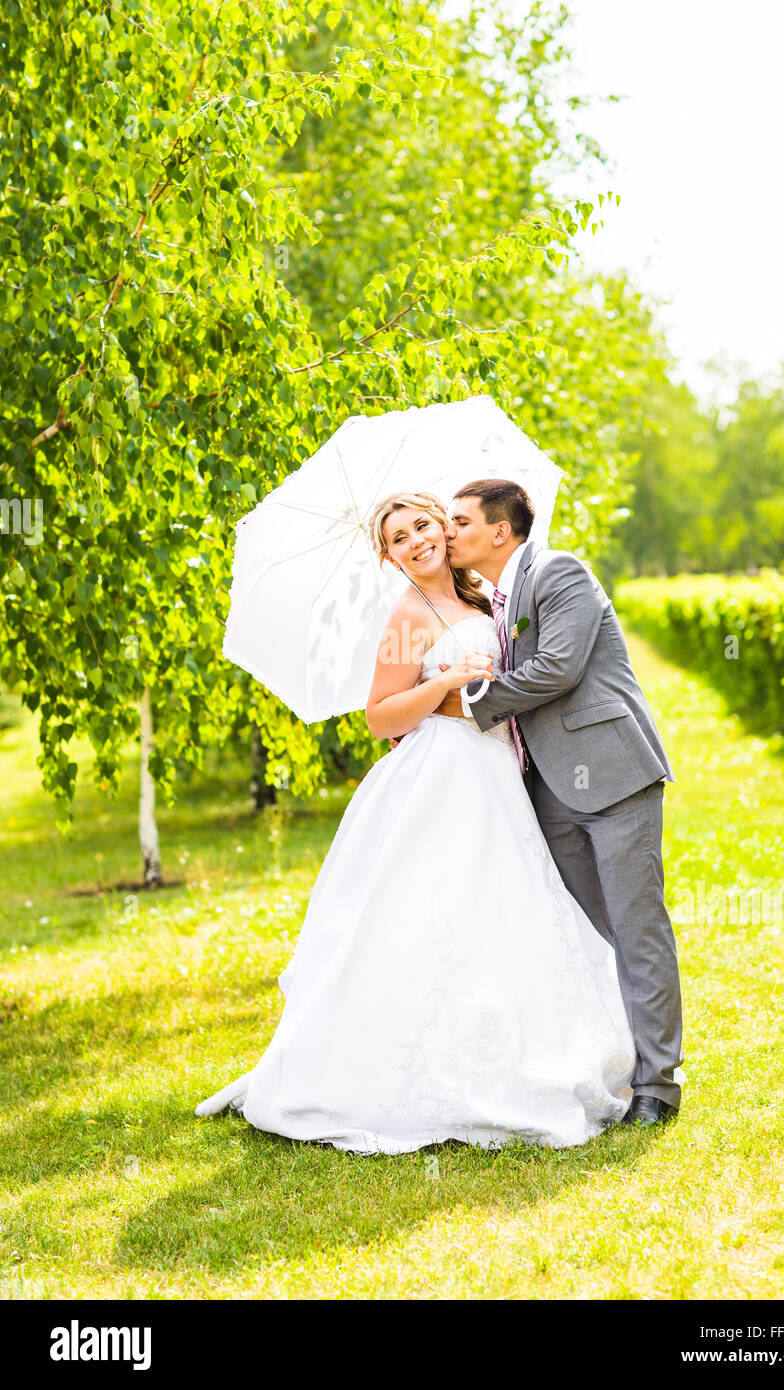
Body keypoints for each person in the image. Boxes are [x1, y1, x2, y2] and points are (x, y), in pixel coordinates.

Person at [194, 490, 636, 1154]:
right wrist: (443, 683)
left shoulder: (483, 600)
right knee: (434, 914)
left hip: (495, 776)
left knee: (505, 912)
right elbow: (381, 717)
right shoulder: (407, 615)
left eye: (426, 525)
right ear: (390, 556)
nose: (418, 541)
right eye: (400, 538)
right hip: (442, 778)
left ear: (445, 530)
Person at [442, 479, 684, 1126]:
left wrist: (470, 703)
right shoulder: (492, 598)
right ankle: (611, 1060)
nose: (448, 533)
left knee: (636, 927)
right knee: (585, 931)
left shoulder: (559, 571)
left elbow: (558, 667)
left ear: (501, 530)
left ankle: (659, 1084)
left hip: (610, 775)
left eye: (460, 521)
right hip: (545, 788)